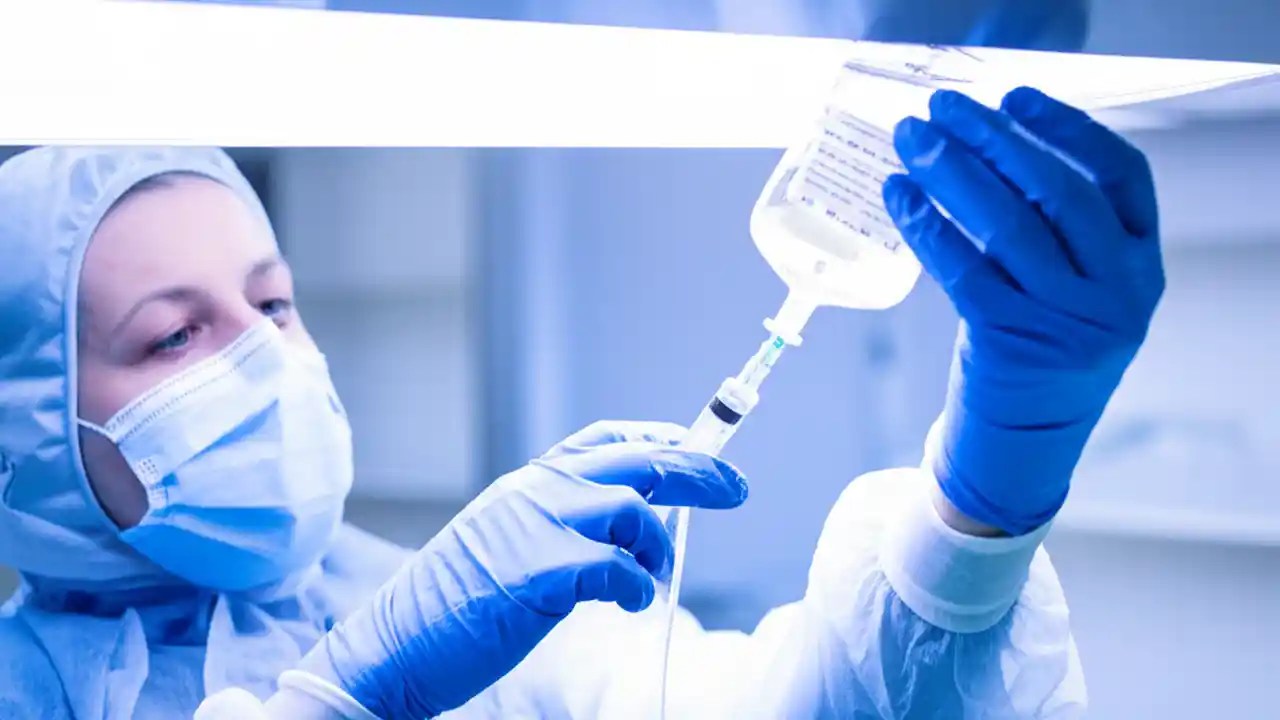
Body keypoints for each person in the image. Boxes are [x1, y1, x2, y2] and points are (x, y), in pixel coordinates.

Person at [0, 85, 1161, 719]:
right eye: (175, 334)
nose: (264, 363)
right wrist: (346, 697)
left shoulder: (462, 622)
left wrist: (995, 472)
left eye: (275, 305)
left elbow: (801, 712)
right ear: (29, 422)